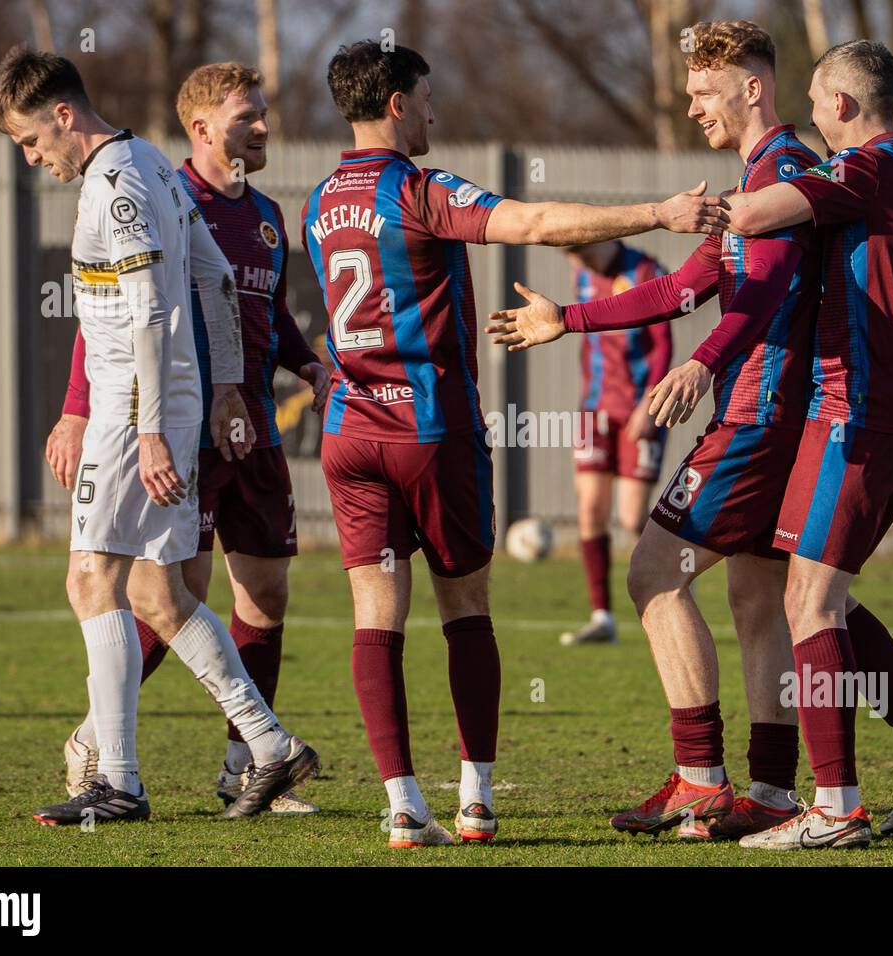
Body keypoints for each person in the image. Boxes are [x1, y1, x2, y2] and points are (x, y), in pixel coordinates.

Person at [304, 40, 728, 847]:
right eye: (426, 97)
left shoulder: (318, 200)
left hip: (348, 430)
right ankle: (474, 801)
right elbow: (532, 222)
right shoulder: (417, 190)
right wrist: (658, 213)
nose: (434, 111)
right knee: (465, 606)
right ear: (396, 103)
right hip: (430, 428)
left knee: (375, 618)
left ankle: (401, 808)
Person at [486, 20, 816, 841]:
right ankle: (773, 791)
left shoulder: (784, 175)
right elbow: (675, 291)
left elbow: (764, 288)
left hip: (757, 414)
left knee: (653, 571)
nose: (694, 107)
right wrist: (567, 317)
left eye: (705, 92)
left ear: (752, 88)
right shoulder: (754, 180)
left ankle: (701, 777)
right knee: (755, 599)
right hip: (771, 414)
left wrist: (703, 364)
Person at [0, 46, 317, 825]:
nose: (35, 158)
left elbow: (147, 313)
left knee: (90, 582)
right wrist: (226, 385)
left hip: (130, 412)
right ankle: (270, 746)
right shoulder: (158, 170)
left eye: (33, 141)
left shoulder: (119, 184)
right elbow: (213, 280)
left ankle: (119, 783)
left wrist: (150, 430)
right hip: (157, 407)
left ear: (64, 116)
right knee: (156, 592)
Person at [715, 40, 893, 849]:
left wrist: (698, 210)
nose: (815, 119)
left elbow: (755, 213)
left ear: (842, 107)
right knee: (826, 592)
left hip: (859, 408)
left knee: (809, 601)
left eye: (819, 103)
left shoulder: (863, 167)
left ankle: (834, 807)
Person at [560, 240, 671, 646]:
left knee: (630, 518)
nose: (580, 263)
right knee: (589, 507)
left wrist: (650, 401)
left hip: (640, 407)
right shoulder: (583, 272)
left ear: (602, 241)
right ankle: (602, 616)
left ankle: (678, 570)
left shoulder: (645, 271)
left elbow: (662, 342)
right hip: (594, 408)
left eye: (584, 254)